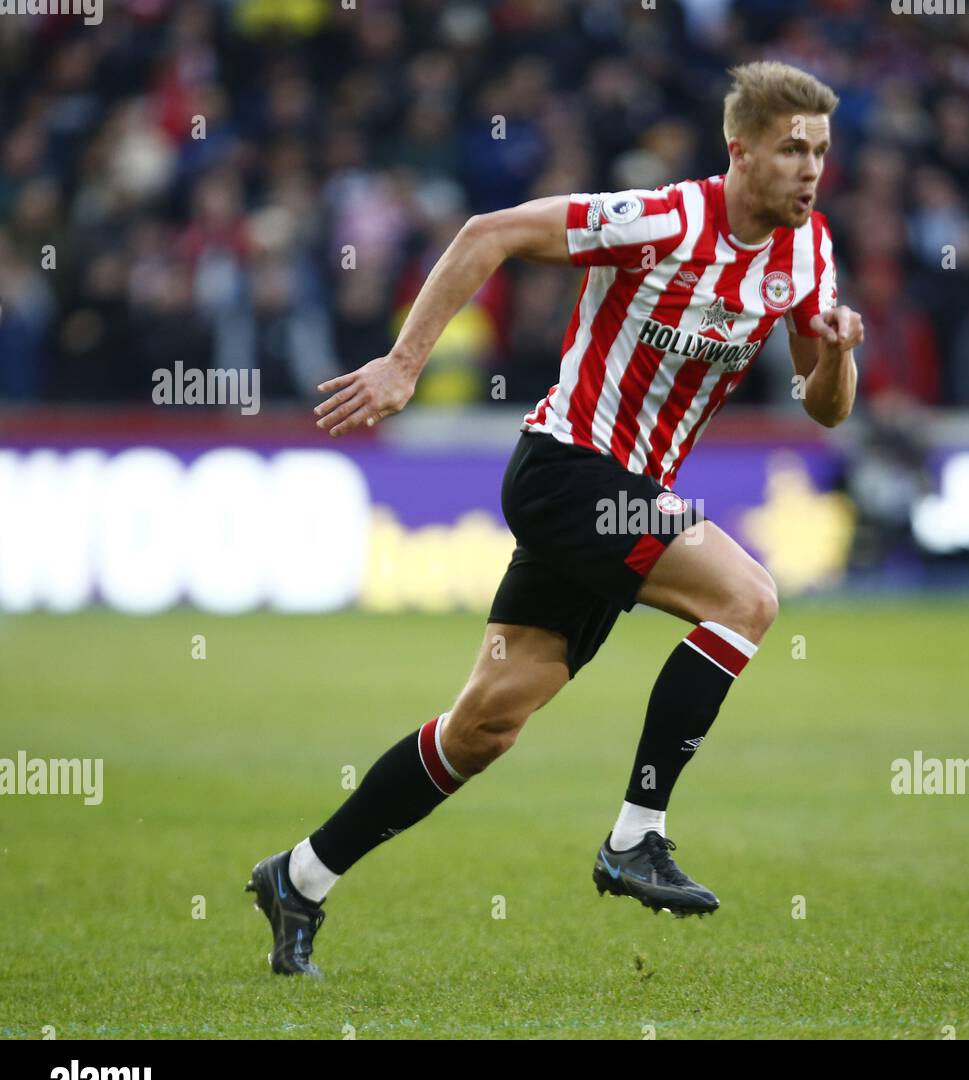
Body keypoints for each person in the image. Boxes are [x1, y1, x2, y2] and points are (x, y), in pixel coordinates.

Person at [245, 61, 863, 976]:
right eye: (791, 149)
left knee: (484, 727)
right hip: (568, 471)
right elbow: (488, 232)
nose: (810, 168)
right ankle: (637, 834)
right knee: (748, 598)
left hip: (622, 501)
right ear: (740, 151)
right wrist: (406, 363)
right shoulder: (661, 220)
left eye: (819, 150)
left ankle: (301, 876)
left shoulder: (807, 254)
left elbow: (823, 406)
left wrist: (841, 355)